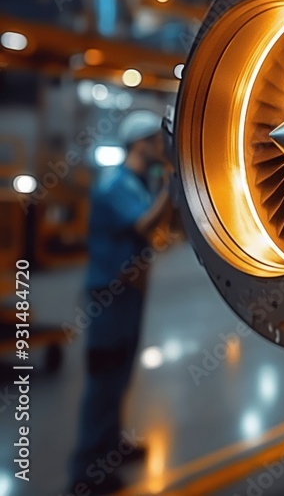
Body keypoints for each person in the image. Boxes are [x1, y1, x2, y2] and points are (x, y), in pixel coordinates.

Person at [69, 111, 173, 494]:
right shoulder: (116, 184)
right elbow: (146, 225)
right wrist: (174, 185)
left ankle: (109, 448)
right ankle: (85, 471)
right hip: (109, 298)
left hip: (129, 295)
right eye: (157, 141)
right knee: (104, 382)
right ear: (141, 143)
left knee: (121, 376)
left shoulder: (135, 180)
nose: (162, 148)